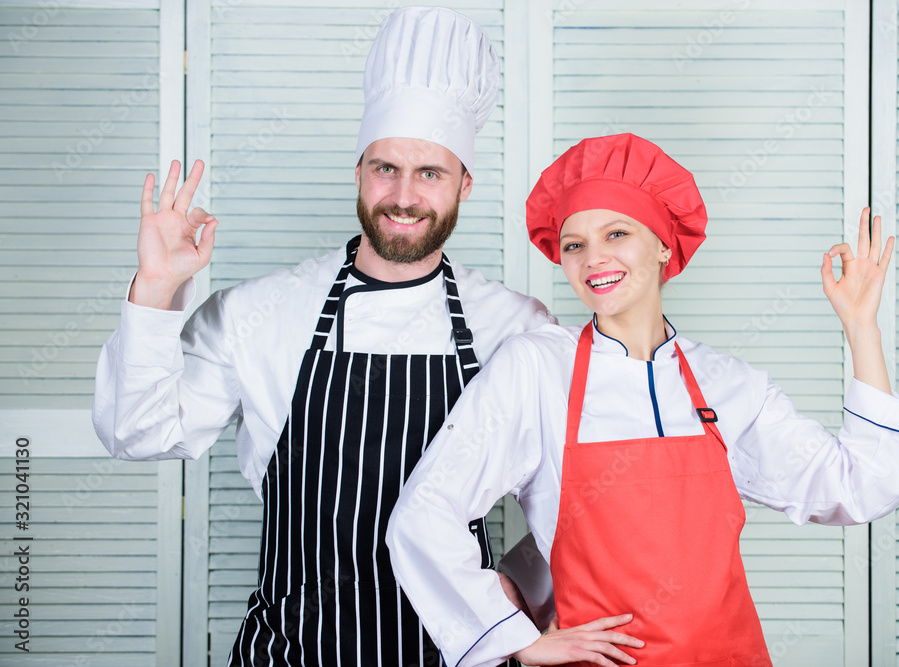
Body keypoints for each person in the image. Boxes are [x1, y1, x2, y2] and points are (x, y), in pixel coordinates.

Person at [93, 7, 559, 666]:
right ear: (359, 169)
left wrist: (532, 596)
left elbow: (534, 504)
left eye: (430, 173)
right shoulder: (261, 313)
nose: (404, 195)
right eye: (385, 168)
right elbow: (134, 431)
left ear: (465, 184)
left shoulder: (515, 326)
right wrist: (156, 286)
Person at [386, 133, 899, 667]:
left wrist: (861, 326)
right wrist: (513, 638)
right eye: (574, 245)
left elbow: (855, 487)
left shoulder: (725, 382)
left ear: (662, 243)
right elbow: (424, 512)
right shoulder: (536, 369)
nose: (592, 259)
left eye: (616, 234)